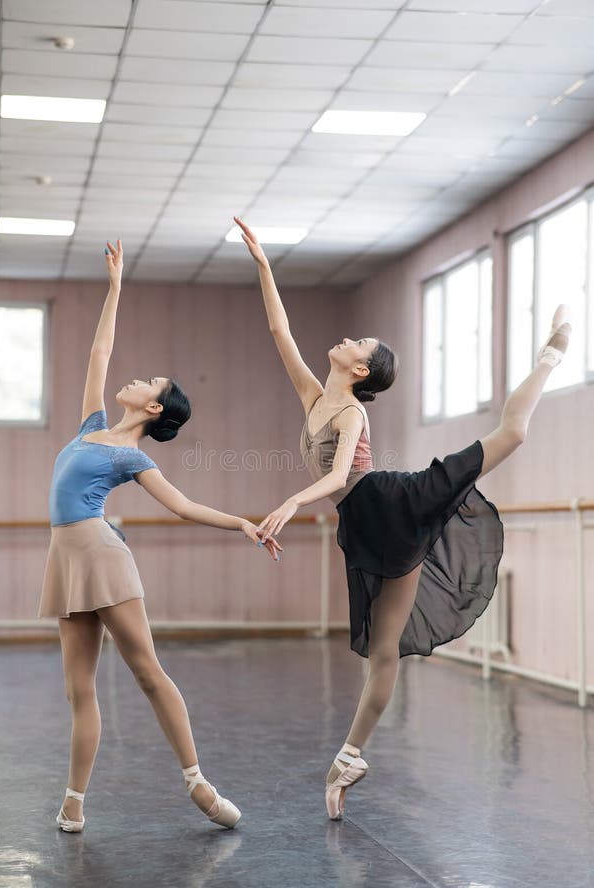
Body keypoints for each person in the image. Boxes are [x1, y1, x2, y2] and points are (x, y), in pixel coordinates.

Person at [235, 216, 571, 820]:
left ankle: (551, 355)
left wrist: (291, 501)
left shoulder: (352, 414)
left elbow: (340, 476)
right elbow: (278, 329)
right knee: (383, 652)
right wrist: (263, 263)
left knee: (511, 434)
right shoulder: (315, 396)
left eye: (359, 343)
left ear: (361, 370)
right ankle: (349, 759)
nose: (347, 339)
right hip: (367, 522)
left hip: (397, 503)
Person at [39, 239, 282, 833]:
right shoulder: (92, 426)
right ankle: (73, 801)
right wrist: (116, 286)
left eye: (151, 381)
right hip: (66, 560)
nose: (138, 378)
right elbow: (99, 352)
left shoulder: (131, 457)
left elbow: (183, 506)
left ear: (153, 408)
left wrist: (242, 523)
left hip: (102, 557)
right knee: (78, 690)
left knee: (147, 671)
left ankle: (197, 781)